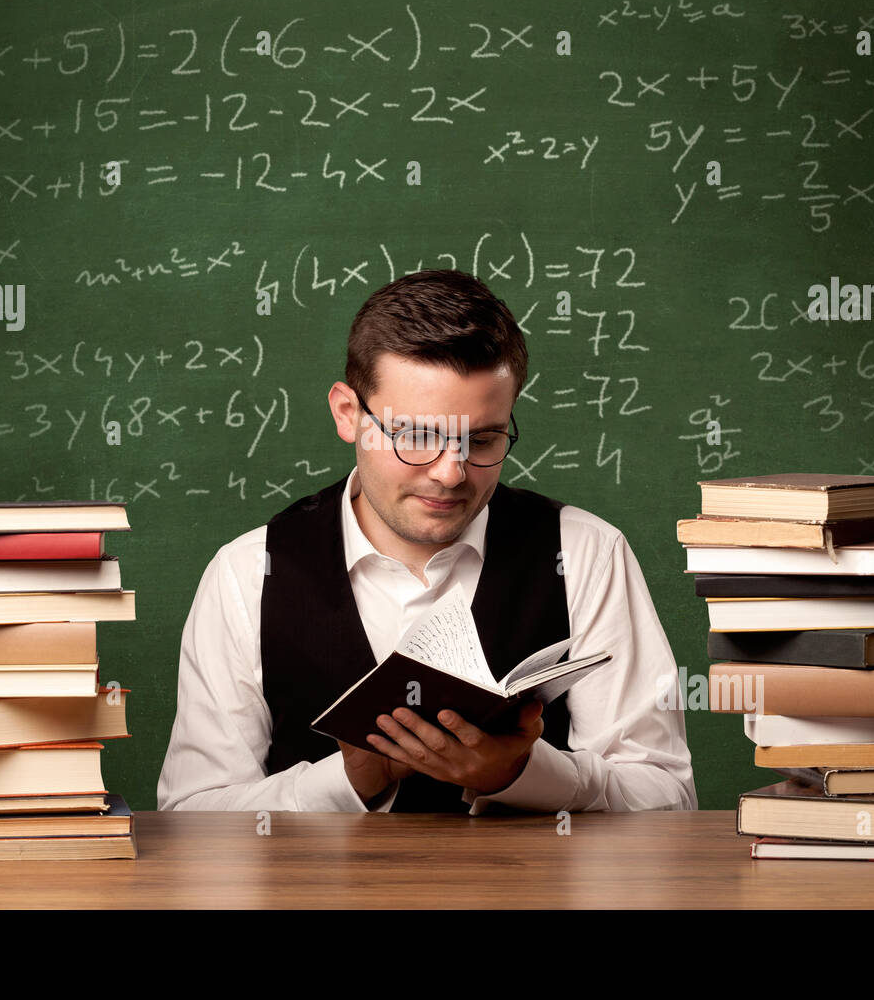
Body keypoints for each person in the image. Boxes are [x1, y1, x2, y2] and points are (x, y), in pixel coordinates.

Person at [157, 269, 697, 814]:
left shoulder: (585, 553)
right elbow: (191, 816)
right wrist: (348, 785)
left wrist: (523, 772)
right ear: (350, 415)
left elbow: (669, 800)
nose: (450, 473)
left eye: (482, 438)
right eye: (417, 435)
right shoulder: (247, 572)